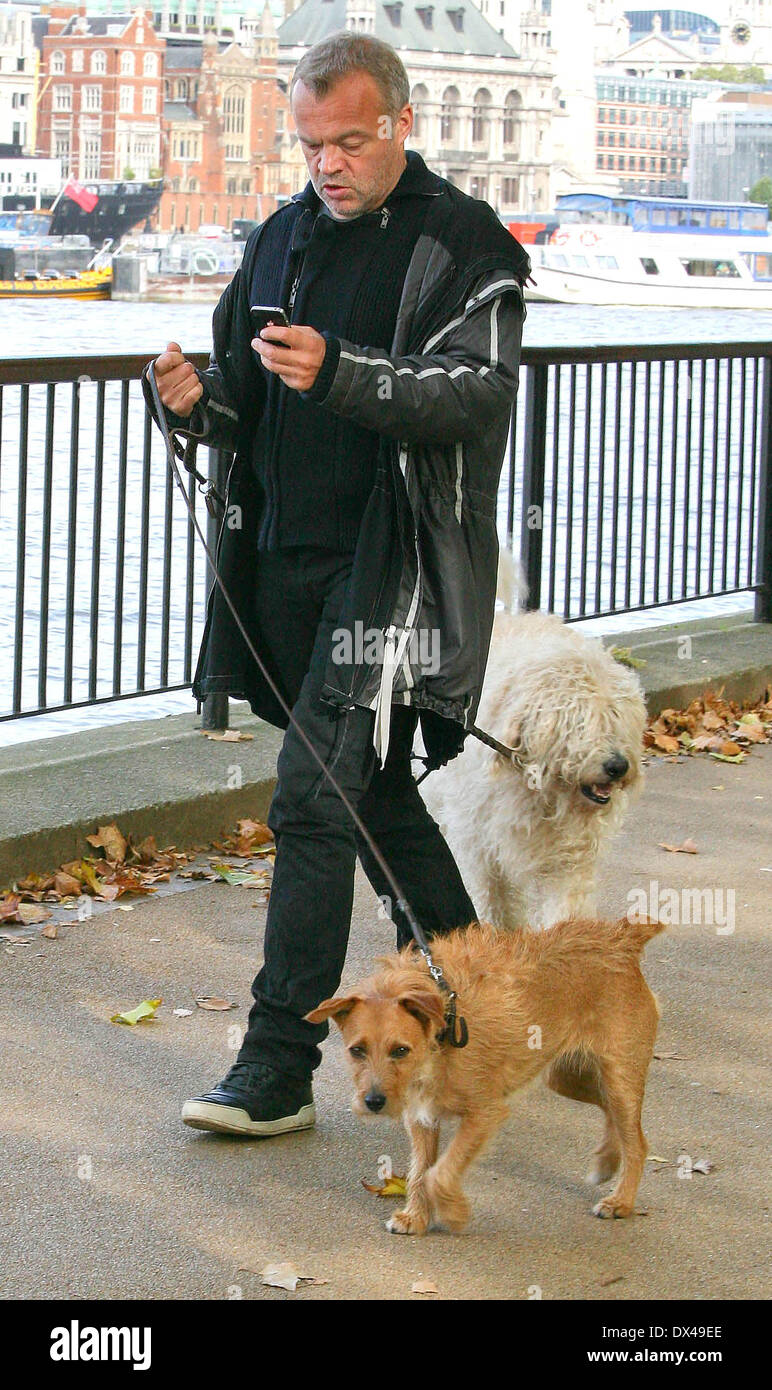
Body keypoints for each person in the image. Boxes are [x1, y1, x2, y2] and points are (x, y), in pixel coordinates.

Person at [145, 30, 529, 1139]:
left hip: (393, 570)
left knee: (313, 799)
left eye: (350, 140)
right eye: (311, 142)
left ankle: (272, 1071)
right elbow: (240, 399)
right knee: (367, 793)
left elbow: (475, 394)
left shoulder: (465, 242)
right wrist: (190, 400)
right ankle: (484, 1000)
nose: (328, 162)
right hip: (281, 567)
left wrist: (349, 374)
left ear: (401, 123)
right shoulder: (280, 238)